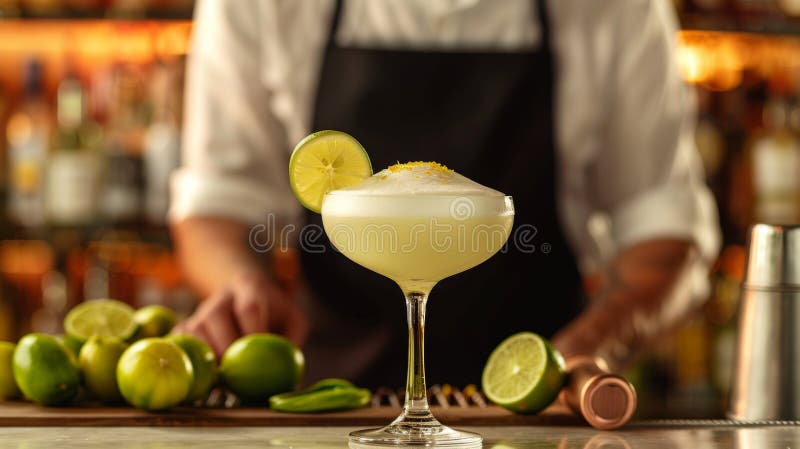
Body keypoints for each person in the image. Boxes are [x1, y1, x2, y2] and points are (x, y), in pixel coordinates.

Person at [170, 0, 720, 387]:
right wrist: (241, 287)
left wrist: (586, 349)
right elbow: (220, 202)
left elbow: (662, 223)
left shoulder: (615, 8)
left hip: (534, 414)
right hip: (332, 406)